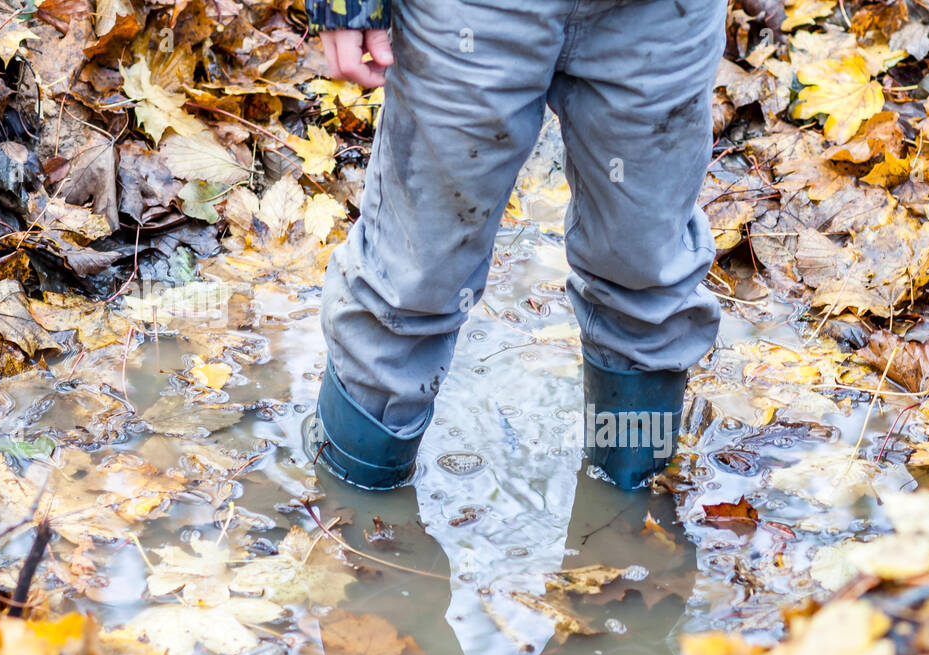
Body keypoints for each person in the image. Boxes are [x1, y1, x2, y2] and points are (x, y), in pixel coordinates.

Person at [301, 0, 727, 490]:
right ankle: (350, 515)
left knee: (649, 277)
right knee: (412, 281)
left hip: (660, 16)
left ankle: (633, 513)